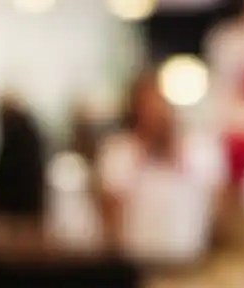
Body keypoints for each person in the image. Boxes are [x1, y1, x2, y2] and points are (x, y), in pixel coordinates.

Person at [94, 67, 225, 265]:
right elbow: (110, 209)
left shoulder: (200, 148)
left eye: (160, 102)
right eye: (147, 104)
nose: (155, 111)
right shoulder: (119, 151)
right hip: (138, 259)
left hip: (191, 258)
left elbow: (218, 204)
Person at [0, 95, 46, 237]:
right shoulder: (29, 132)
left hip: (17, 212)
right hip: (26, 211)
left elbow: (7, 175)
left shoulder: (15, 134)